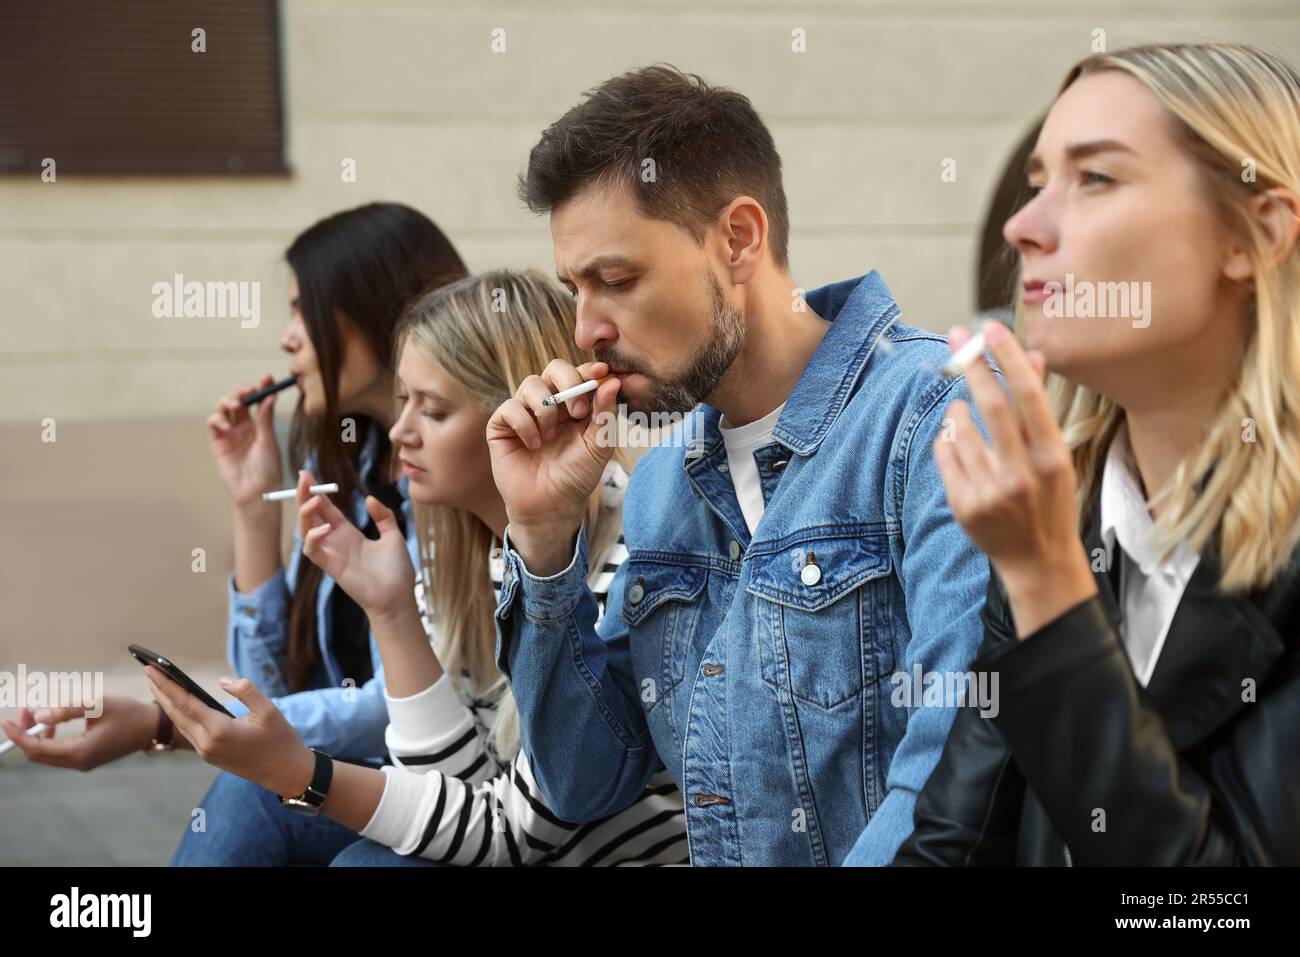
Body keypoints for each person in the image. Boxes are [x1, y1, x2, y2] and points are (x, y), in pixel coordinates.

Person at [485, 65, 993, 866]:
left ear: (740, 240)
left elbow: (954, 761)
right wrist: (544, 540)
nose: (584, 329)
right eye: (574, 288)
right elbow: (586, 779)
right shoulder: (661, 485)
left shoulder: (933, 417)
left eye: (616, 280)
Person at [894, 43, 1300, 866]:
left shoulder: (1046, 547)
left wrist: (1048, 583)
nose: (1023, 225)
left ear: (1252, 233)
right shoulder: (1069, 520)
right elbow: (953, 846)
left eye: (1097, 178)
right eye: (1039, 182)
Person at [143, 270, 689, 866]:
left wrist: (304, 773)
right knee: (257, 800)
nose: (399, 432)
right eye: (404, 402)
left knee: (363, 860)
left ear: (527, 418)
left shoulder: (629, 551)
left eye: (431, 411)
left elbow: (511, 837)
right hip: (517, 845)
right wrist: (390, 607)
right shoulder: (465, 549)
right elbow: (458, 790)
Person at [3, 202, 469, 867]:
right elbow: (272, 692)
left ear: (379, 309)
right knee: (244, 796)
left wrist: (176, 723)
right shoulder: (346, 459)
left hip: (446, 792)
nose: (287, 339)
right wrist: (252, 505)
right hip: (357, 783)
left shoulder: (460, 472)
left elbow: (396, 707)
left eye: (304, 311)